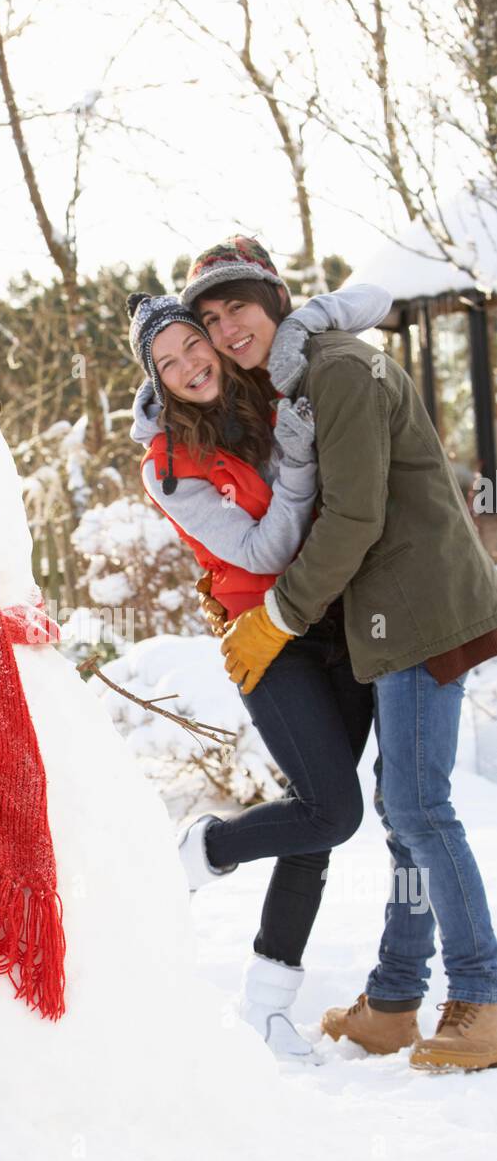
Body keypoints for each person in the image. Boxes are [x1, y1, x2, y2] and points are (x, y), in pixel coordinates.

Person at [182, 232, 497, 1072]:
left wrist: (279, 616)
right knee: (402, 812)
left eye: (237, 306)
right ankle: (396, 997)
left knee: (420, 809)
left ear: (275, 300)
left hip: (419, 605)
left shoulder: (336, 369)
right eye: (209, 318)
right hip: (387, 612)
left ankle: (482, 993)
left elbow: (354, 518)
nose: (226, 328)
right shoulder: (299, 381)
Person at [128, 277, 391, 1059]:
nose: (187, 365)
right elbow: (262, 550)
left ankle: (269, 1003)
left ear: (211, 342)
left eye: (192, 345)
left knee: (313, 817)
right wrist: (302, 460)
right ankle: (206, 849)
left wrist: (304, 317)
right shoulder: (167, 464)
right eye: (167, 362)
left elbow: (371, 298)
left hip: (335, 623)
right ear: (155, 379)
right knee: (332, 812)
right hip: (264, 639)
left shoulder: (269, 389)